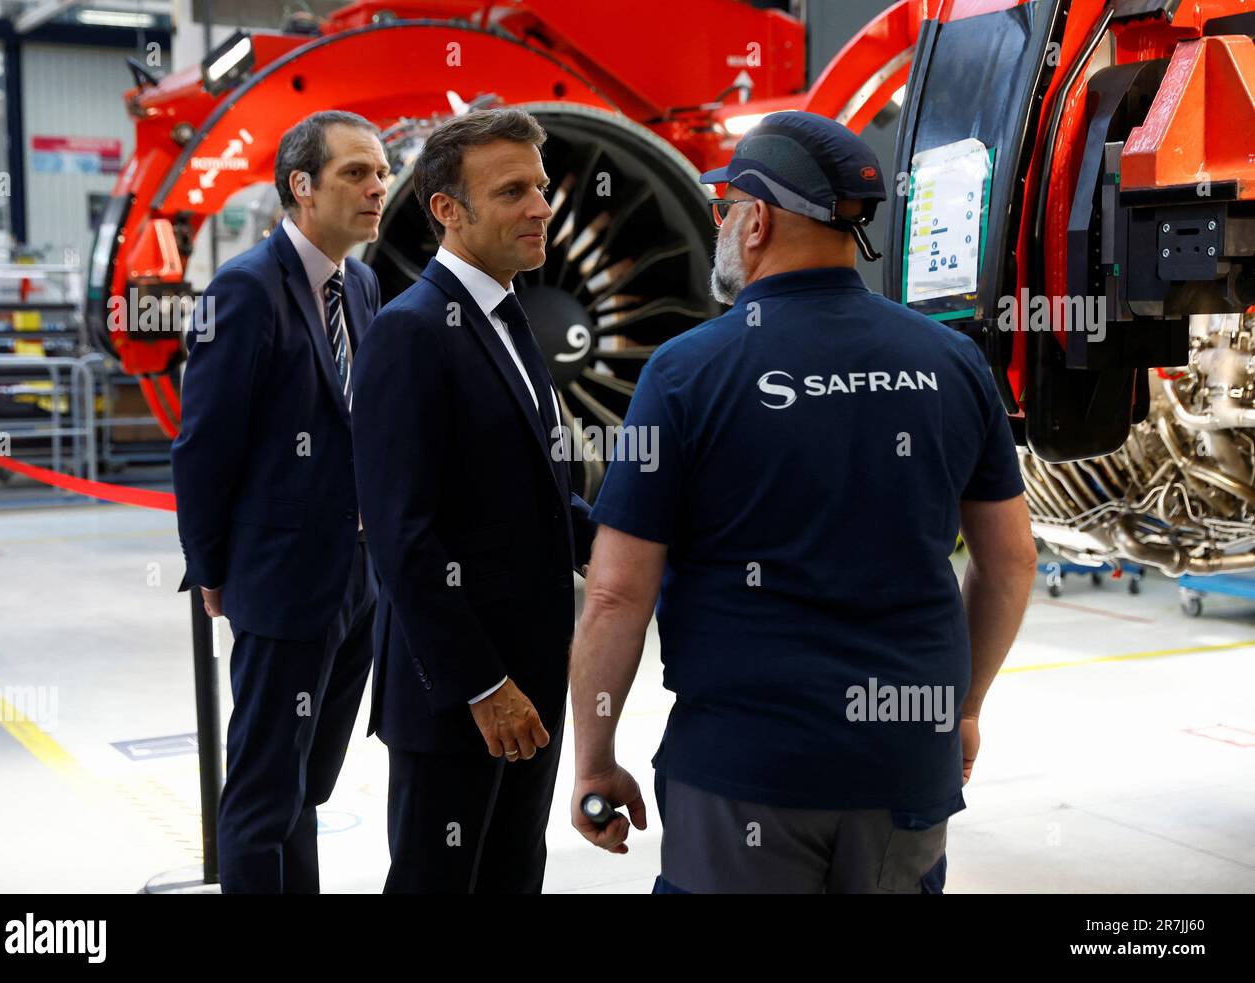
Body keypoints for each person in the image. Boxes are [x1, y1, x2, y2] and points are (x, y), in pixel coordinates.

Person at [567, 111, 1037, 893]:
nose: (722, 225)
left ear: (756, 221)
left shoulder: (687, 372)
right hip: (903, 765)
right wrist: (961, 706)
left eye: (726, 209)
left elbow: (616, 592)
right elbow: (1012, 561)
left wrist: (593, 756)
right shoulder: (952, 360)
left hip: (746, 767)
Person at [352, 108, 594, 893]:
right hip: (460, 693)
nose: (541, 207)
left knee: (512, 875)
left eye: (542, 187)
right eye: (514, 191)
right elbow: (402, 537)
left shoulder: (507, 314)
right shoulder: (411, 332)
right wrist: (483, 686)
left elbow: (533, 497)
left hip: (533, 678)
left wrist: (636, 538)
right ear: (447, 211)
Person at [171, 110, 387, 893]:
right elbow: (203, 447)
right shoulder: (245, 290)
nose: (377, 187)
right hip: (281, 580)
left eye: (381, 171)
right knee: (264, 791)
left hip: (356, 579)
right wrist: (213, 568)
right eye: (355, 173)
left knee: (307, 787)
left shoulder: (360, 283)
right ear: (302, 186)